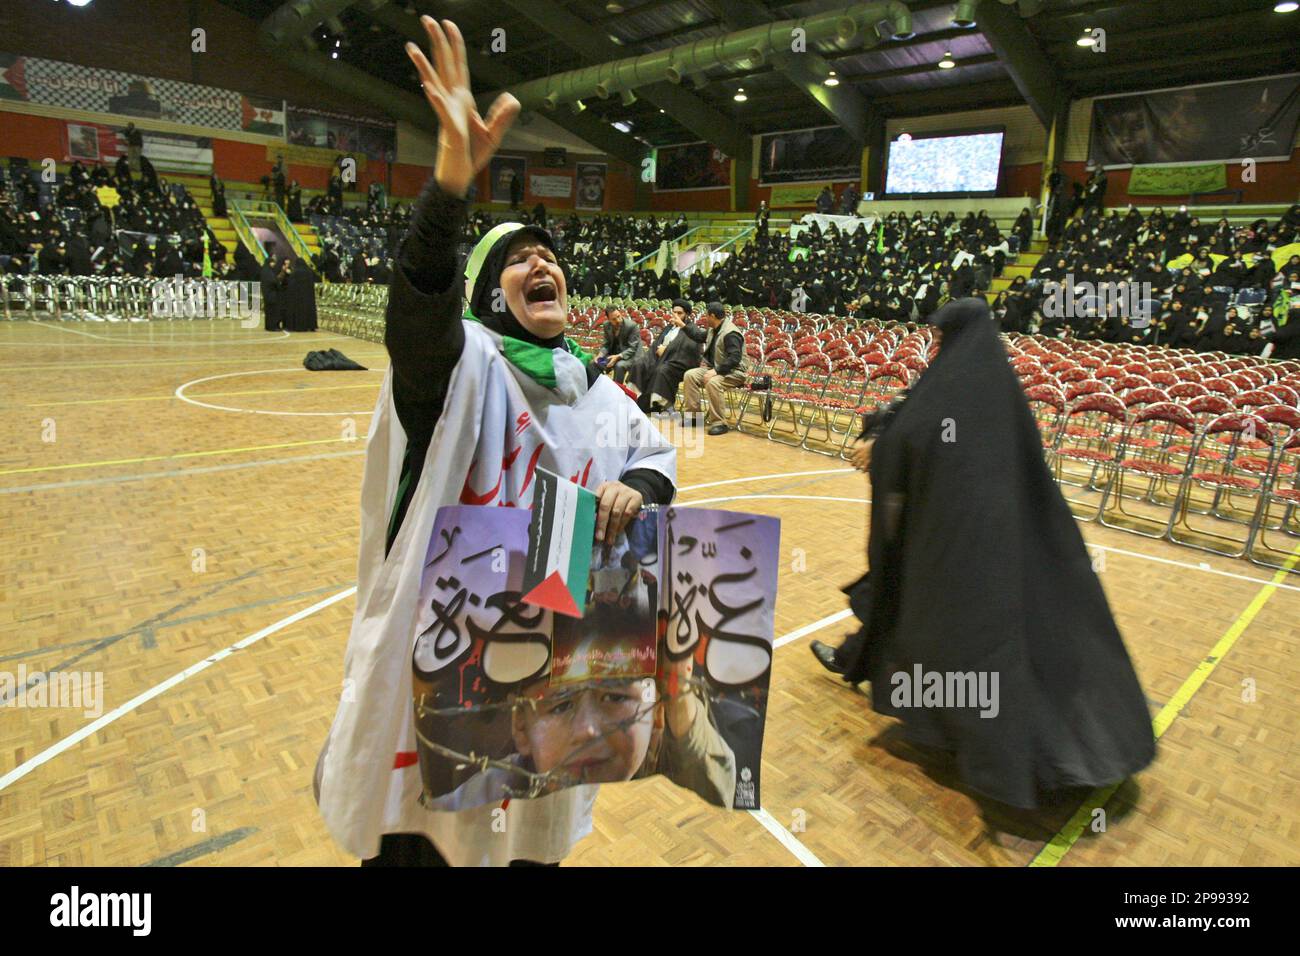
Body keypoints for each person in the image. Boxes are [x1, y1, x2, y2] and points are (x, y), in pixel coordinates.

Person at [315, 16, 677, 868]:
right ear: (486, 295)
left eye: (548, 253)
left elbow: (654, 453)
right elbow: (421, 309)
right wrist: (448, 190)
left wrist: (643, 492)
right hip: (449, 660)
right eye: (517, 258)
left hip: (558, 663)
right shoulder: (463, 361)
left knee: (531, 844)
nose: (540, 261)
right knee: (431, 837)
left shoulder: (597, 386)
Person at [826, 297, 1156, 809]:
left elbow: (914, 438)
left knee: (957, 642)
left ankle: (993, 757)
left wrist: (883, 447)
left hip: (957, 553)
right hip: (1013, 545)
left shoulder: (952, 385)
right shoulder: (996, 385)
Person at [681, 301, 749, 436]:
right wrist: (683, 325)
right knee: (690, 375)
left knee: (713, 382)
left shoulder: (731, 333)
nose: (705, 318)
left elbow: (734, 359)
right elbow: (699, 336)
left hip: (735, 372)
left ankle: (719, 423)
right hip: (717, 368)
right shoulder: (714, 329)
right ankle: (694, 418)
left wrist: (715, 371)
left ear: (712, 316)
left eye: (707, 316)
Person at [595, 305, 641, 375]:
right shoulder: (606, 325)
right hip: (614, 354)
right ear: (608, 319)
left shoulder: (632, 326)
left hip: (631, 356)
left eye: (619, 316)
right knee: (597, 363)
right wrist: (600, 355)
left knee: (619, 366)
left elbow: (632, 348)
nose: (618, 320)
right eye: (614, 319)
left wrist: (618, 356)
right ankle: (600, 384)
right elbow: (606, 344)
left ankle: (618, 386)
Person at [283, 258, 318, 331]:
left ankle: (298, 326)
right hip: (308, 296)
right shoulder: (309, 271)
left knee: (298, 311)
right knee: (308, 310)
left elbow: (291, 284)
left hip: (297, 297)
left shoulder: (295, 272)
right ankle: (310, 326)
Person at [259, 254, 284, 331]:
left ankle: (269, 326)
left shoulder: (265, 270)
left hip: (268, 294)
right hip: (271, 294)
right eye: (272, 262)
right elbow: (273, 281)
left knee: (269, 311)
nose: (273, 264)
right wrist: (278, 285)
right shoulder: (268, 272)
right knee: (273, 311)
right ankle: (273, 326)